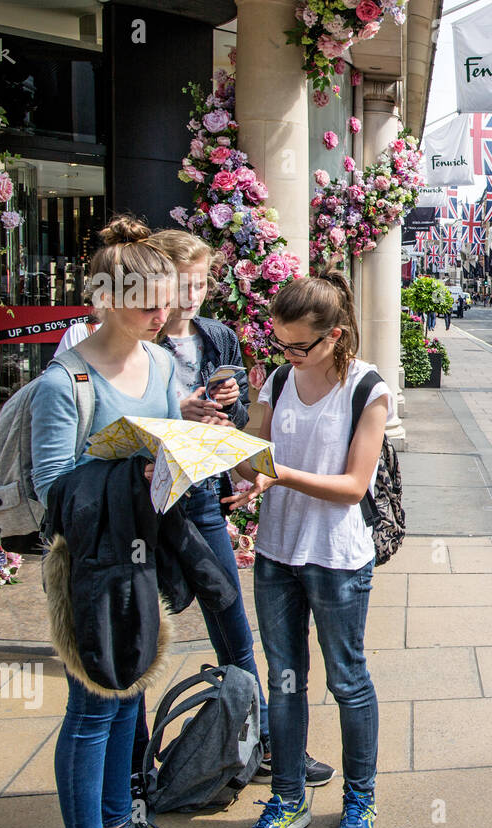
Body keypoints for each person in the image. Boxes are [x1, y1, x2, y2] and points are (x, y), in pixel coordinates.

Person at [138, 229, 334, 797]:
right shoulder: (134, 341)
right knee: (140, 635)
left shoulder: (217, 336)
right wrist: (179, 409)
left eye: (201, 283)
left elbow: (245, 415)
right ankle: (135, 770)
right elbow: (122, 416)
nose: (193, 294)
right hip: (144, 503)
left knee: (231, 618)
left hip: (200, 493)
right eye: (182, 282)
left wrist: (227, 414)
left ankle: (265, 742)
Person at [30, 215, 192, 828]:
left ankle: (120, 824)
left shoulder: (159, 362)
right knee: (93, 706)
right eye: (148, 304)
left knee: (129, 695)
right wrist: (130, 472)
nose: (163, 314)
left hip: (141, 553)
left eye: (168, 301)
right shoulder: (62, 382)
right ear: (104, 300)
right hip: (89, 565)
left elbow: (174, 447)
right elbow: (53, 492)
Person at [225, 266, 392, 828]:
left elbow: (352, 487)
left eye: (301, 345)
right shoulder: (276, 380)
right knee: (285, 682)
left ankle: (360, 800)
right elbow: (252, 460)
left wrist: (279, 476)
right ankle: (289, 800)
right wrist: (237, 427)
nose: (289, 354)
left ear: (336, 335)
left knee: (348, 680)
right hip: (276, 552)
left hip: (337, 557)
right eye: (282, 344)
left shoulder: (367, 389)